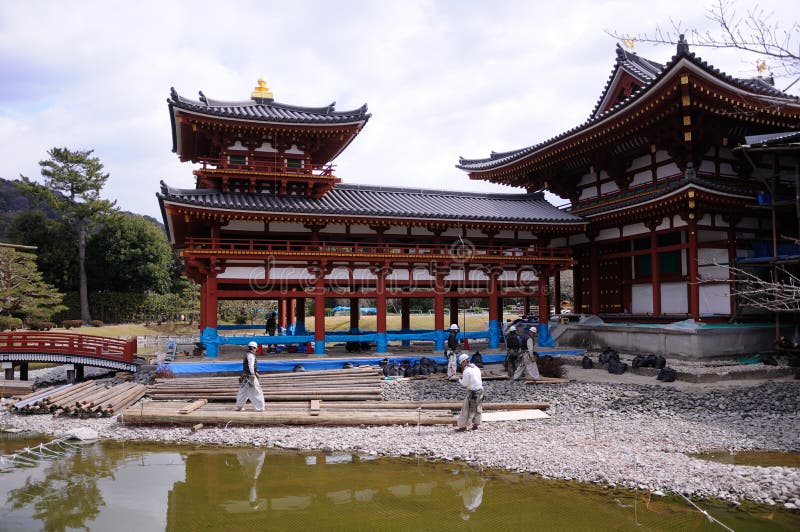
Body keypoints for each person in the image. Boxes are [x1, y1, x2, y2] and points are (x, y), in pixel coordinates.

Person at [456, 353, 483, 431]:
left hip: (473, 392)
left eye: (461, 363)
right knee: (478, 408)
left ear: (464, 362)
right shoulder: (476, 367)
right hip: (480, 390)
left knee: (466, 409)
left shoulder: (467, 371)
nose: (461, 365)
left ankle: (463, 426)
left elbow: (465, 383)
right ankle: (476, 425)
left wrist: (458, 380)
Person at [236, 341, 265, 411]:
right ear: (252, 348)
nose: (256, 350)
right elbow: (251, 365)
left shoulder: (247, 354)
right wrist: (253, 373)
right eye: (255, 348)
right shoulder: (251, 356)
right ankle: (260, 408)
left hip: (245, 377)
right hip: (250, 377)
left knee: (243, 392)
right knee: (257, 391)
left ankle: (239, 406)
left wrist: (254, 372)